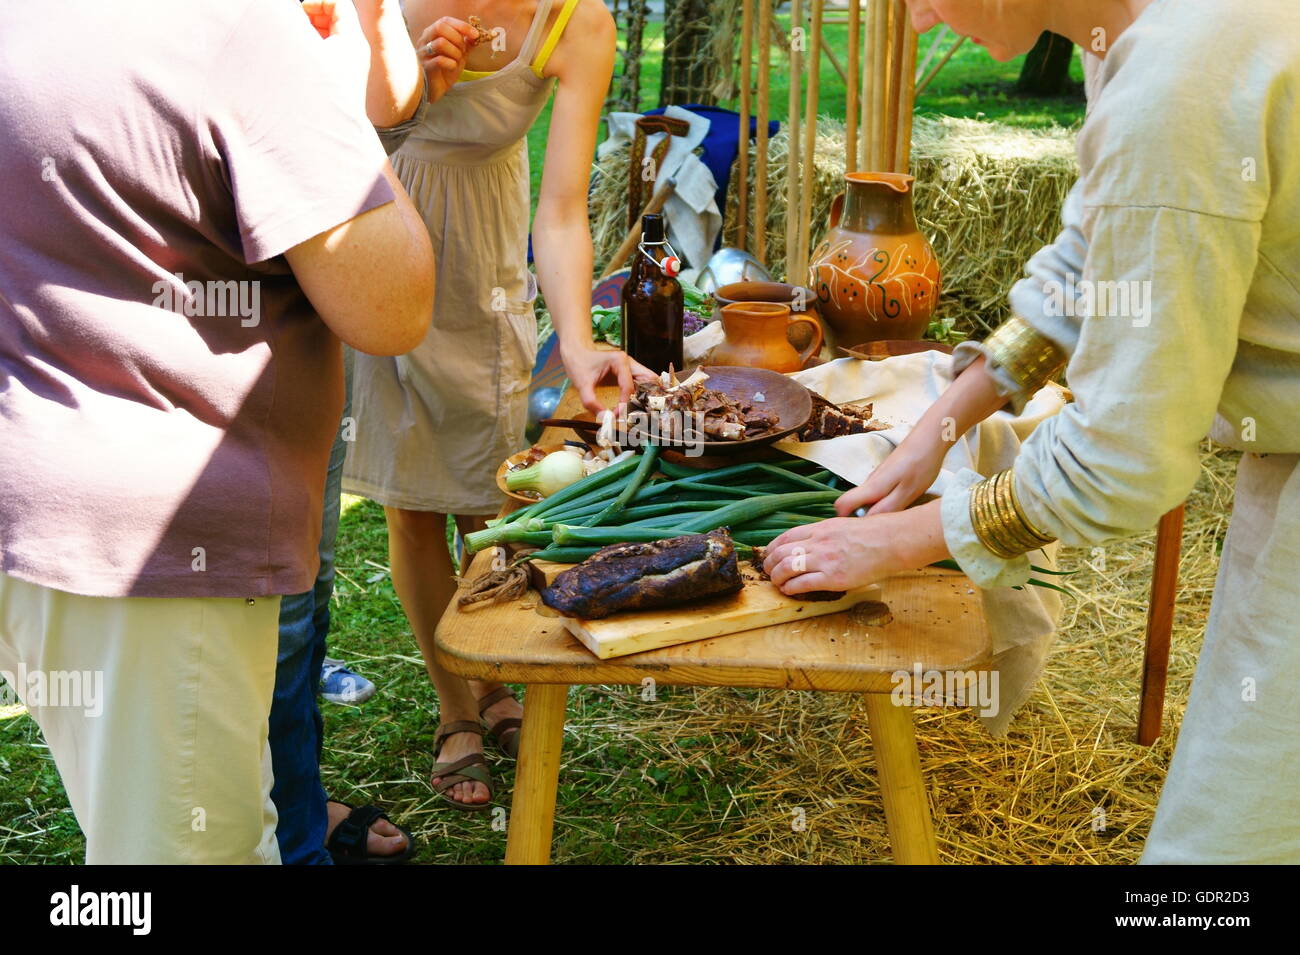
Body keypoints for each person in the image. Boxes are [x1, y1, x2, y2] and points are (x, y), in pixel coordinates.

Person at [764, 0, 1300, 863]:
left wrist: (897, 541)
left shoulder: (1176, 84)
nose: (917, 24)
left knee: (1224, 855)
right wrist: (936, 427)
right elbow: (1087, 270)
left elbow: (1122, 458)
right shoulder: (1138, 35)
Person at [0, 0, 434, 863]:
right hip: (157, 550)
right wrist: (336, 102)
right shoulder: (236, 27)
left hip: (46, 506)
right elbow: (391, 301)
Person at [343, 0, 639, 810]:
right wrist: (412, 95)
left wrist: (576, 340)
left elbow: (564, 206)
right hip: (379, 233)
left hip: (487, 266)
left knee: (489, 498)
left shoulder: (575, 19)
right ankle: (455, 709)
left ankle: (496, 679)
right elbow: (327, 138)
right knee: (409, 506)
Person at [269, 0, 474, 867]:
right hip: (231, 338)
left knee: (305, 577)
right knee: (272, 601)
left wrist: (386, 37)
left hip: (301, 321)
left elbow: (385, 97)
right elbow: (394, 307)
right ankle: (287, 830)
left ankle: (294, 795)